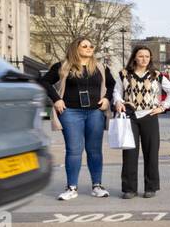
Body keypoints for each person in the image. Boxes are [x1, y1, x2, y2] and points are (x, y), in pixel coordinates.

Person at [41, 37, 117, 200]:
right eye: (84, 46)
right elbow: (44, 82)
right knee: (74, 150)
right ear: (76, 48)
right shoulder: (63, 66)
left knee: (94, 150)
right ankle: (71, 188)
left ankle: (97, 186)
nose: (89, 48)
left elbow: (112, 84)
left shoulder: (100, 67)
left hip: (95, 112)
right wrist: (56, 99)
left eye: (91, 46)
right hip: (71, 112)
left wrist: (107, 99)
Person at [114, 45, 170, 198]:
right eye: (141, 56)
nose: (144, 59)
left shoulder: (156, 75)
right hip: (130, 116)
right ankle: (129, 189)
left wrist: (163, 107)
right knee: (129, 153)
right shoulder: (124, 74)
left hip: (150, 116)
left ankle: (151, 187)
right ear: (135, 57)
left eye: (147, 56)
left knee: (151, 153)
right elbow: (117, 91)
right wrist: (118, 101)